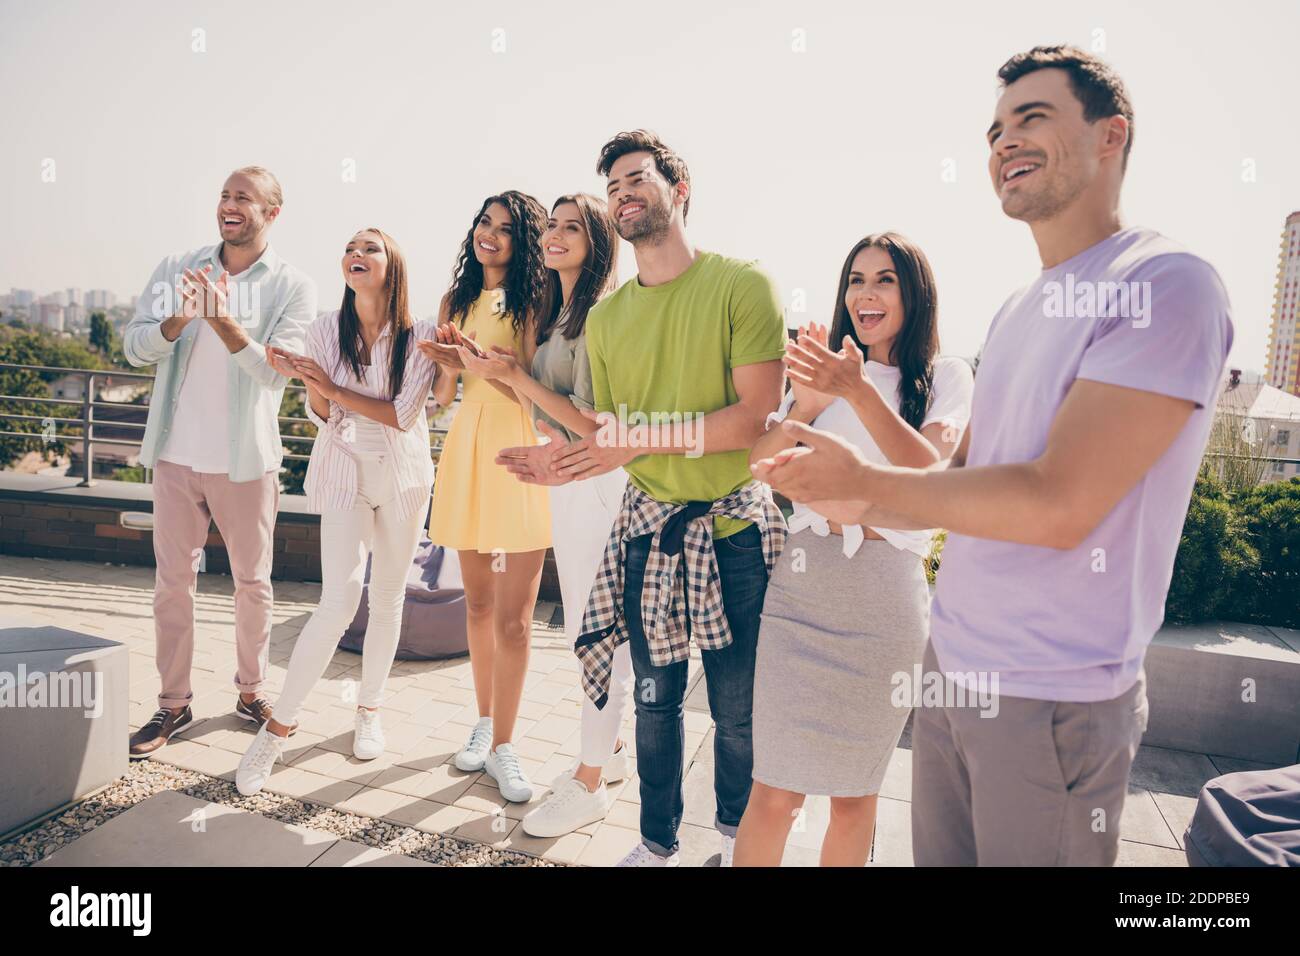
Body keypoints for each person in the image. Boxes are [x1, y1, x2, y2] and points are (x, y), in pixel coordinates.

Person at [753, 45, 1234, 866]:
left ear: (1112, 134)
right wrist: (831, 461)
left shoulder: (1166, 283)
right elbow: (961, 485)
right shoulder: (1017, 310)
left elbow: (1056, 504)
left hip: (1051, 695)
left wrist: (863, 485)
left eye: (1033, 118)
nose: (1004, 140)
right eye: (995, 128)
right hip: (949, 672)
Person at [499, 131, 788, 866]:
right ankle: (656, 845)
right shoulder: (608, 319)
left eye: (639, 178)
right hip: (648, 528)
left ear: (679, 189)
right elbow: (608, 433)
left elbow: (753, 416)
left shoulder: (742, 284)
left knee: (737, 712)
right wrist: (559, 462)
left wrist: (641, 435)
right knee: (655, 707)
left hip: (733, 531)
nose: (625, 192)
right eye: (616, 185)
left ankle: (732, 841)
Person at [734, 233, 973, 867]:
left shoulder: (947, 375)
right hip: (801, 595)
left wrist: (858, 390)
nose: (866, 294)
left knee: (853, 797)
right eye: (856, 280)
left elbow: (930, 474)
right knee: (774, 790)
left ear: (914, 292)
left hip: (885, 605)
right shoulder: (820, 374)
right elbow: (757, 465)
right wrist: (807, 405)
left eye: (885, 279)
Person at [234, 228, 442, 795]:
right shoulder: (325, 329)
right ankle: (277, 729)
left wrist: (330, 385)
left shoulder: (419, 336)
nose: (357, 254)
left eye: (370, 247)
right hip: (345, 471)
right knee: (339, 599)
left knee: (390, 597)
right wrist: (312, 382)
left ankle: (369, 709)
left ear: (392, 265)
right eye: (351, 247)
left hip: (403, 478)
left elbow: (402, 415)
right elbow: (323, 411)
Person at [122, 166, 317, 758]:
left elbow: (275, 370)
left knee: (252, 584)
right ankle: (171, 706)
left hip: (245, 464)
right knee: (170, 587)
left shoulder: (293, 286)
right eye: (225, 195)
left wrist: (223, 320)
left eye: (244, 198)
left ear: (271, 214)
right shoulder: (176, 269)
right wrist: (181, 317)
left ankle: (251, 692)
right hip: (175, 460)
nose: (229, 205)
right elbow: (133, 348)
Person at [461, 194, 634, 837]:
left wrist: (517, 379)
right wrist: (491, 372)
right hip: (565, 480)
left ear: (598, 243)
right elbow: (548, 407)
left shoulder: (603, 313)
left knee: (593, 632)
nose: (557, 236)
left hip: (595, 483)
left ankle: (589, 780)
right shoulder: (563, 312)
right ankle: (611, 753)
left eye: (574, 228)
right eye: (553, 226)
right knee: (588, 631)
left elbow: (591, 424)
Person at [425, 192, 553, 804]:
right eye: (484, 223)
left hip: (514, 447)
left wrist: (483, 364)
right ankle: (483, 722)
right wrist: (445, 363)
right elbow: (447, 392)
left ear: (522, 240)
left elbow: (526, 394)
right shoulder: (456, 301)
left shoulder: (534, 302)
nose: (491, 236)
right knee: (475, 604)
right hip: (464, 444)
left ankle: (506, 746)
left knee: (516, 620)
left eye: (505, 229)